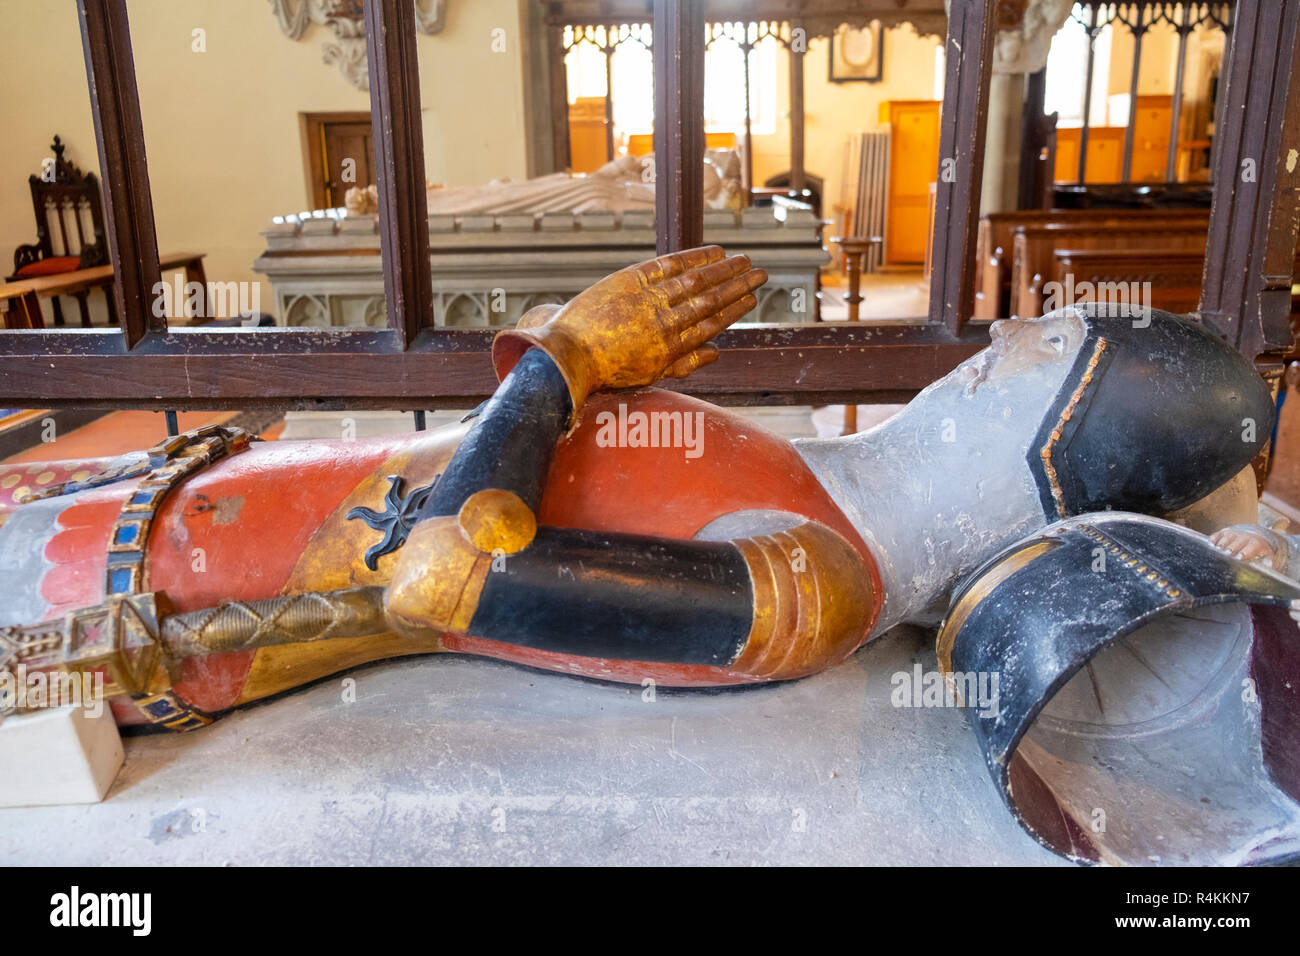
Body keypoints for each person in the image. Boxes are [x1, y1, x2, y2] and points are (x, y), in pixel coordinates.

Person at [0, 247, 1272, 731]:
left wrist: (565, 361)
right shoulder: (826, 486)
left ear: (1062, 433)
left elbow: (444, 575)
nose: (996, 343)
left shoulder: (818, 578)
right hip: (170, 500)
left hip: (143, 589)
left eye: (1038, 351)